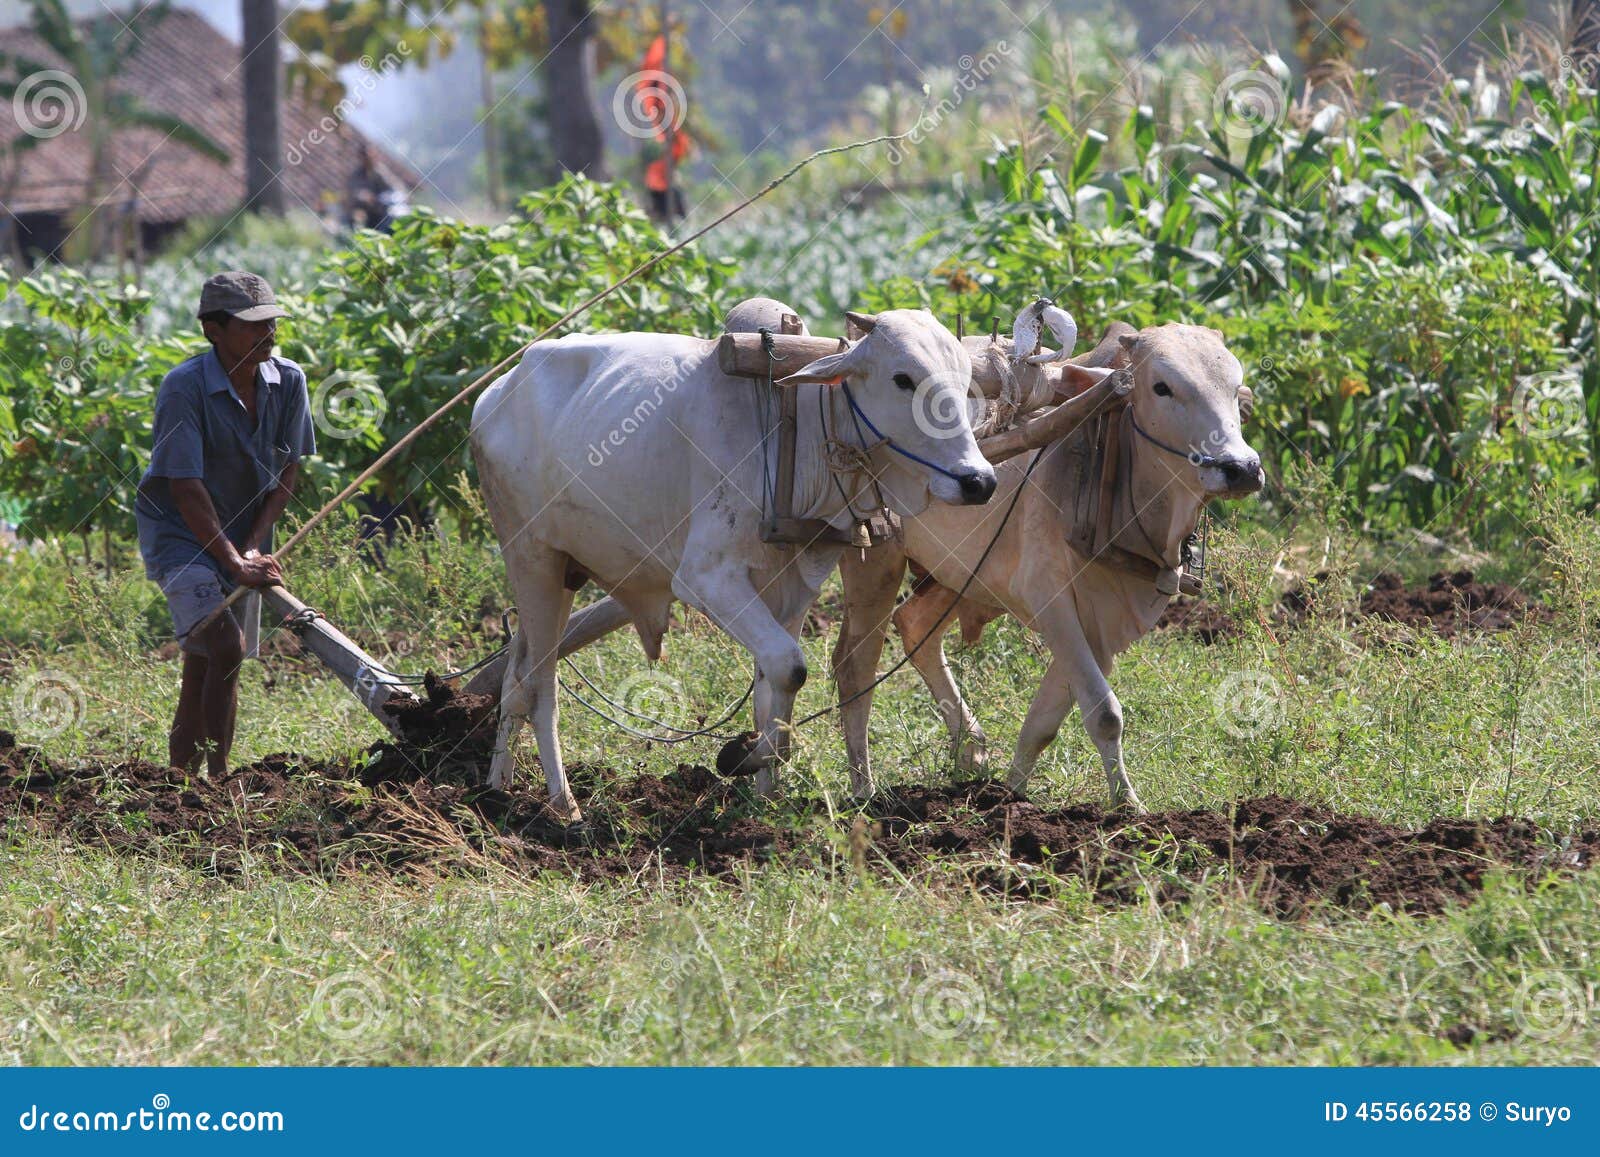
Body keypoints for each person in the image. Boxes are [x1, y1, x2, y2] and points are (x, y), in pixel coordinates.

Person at [134, 272, 316, 777]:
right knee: (225, 645)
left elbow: (288, 472)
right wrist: (233, 561)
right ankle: (219, 777)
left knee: (203, 663)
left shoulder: (289, 380)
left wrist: (251, 549)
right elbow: (185, 488)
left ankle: (180, 779)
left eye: (272, 323)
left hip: (244, 534)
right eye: (252, 326)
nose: (269, 334)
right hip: (180, 535)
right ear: (213, 330)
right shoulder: (184, 388)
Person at [344, 142, 399, 233]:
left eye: (372, 156)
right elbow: (352, 194)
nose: (370, 159)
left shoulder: (380, 171)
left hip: (383, 212)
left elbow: (395, 187)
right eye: (366, 156)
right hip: (365, 215)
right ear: (361, 157)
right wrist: (364, 197)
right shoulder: (356, 176)